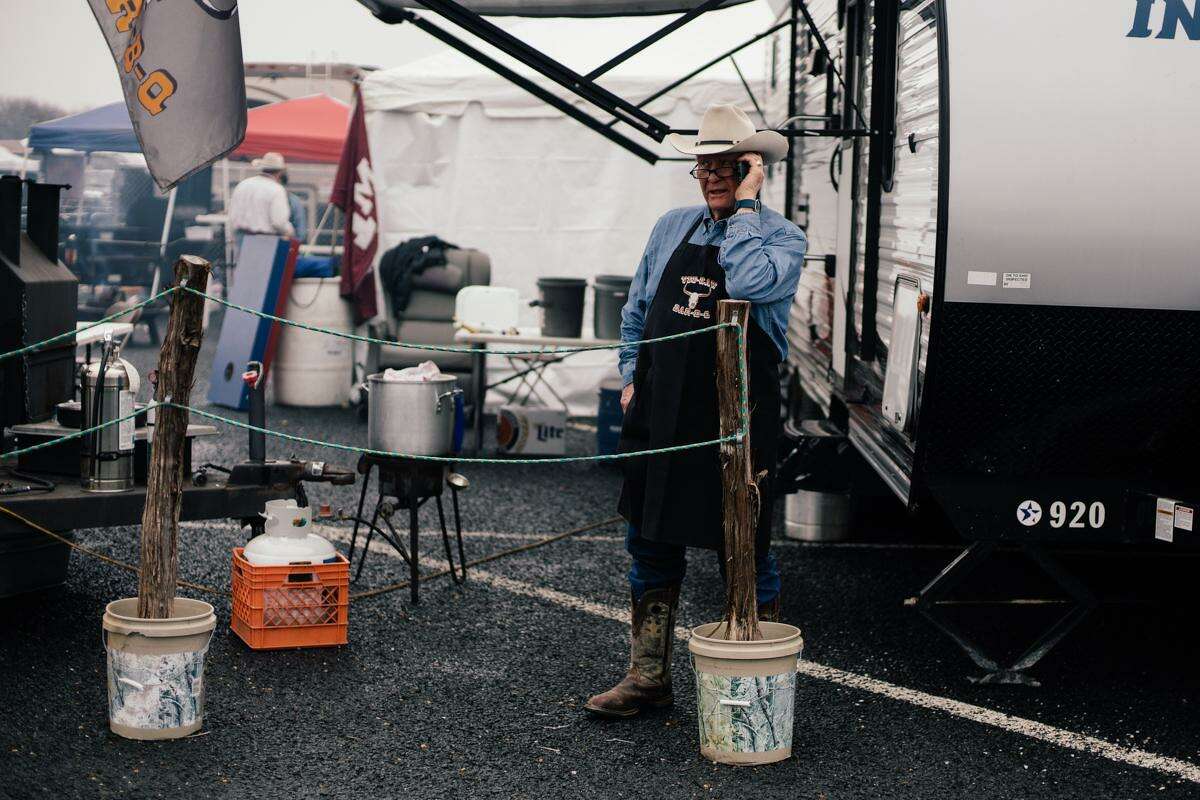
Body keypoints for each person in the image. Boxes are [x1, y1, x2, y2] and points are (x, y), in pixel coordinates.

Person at [585, 104, 807, 719]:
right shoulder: (670, 227)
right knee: (649, 542)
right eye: (703, 167)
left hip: (736, 422)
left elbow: (750, 285)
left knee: (746, 547)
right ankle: (647, 676)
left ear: (751, 167)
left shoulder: (781, 238)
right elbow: (635, 313)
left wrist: (744, 213)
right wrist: (633, 377)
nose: (711, 177)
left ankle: (754, 685)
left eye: (725, 166)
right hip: (661, 415)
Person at [227, 151, 295, 259]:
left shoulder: (243, 185)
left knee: (242, 273)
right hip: (264, 241)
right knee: (261, 273)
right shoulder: (276, 189)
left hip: (241, 238)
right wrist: (290, 231)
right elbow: (278, 222)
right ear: (280, 172)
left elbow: (232, 215)